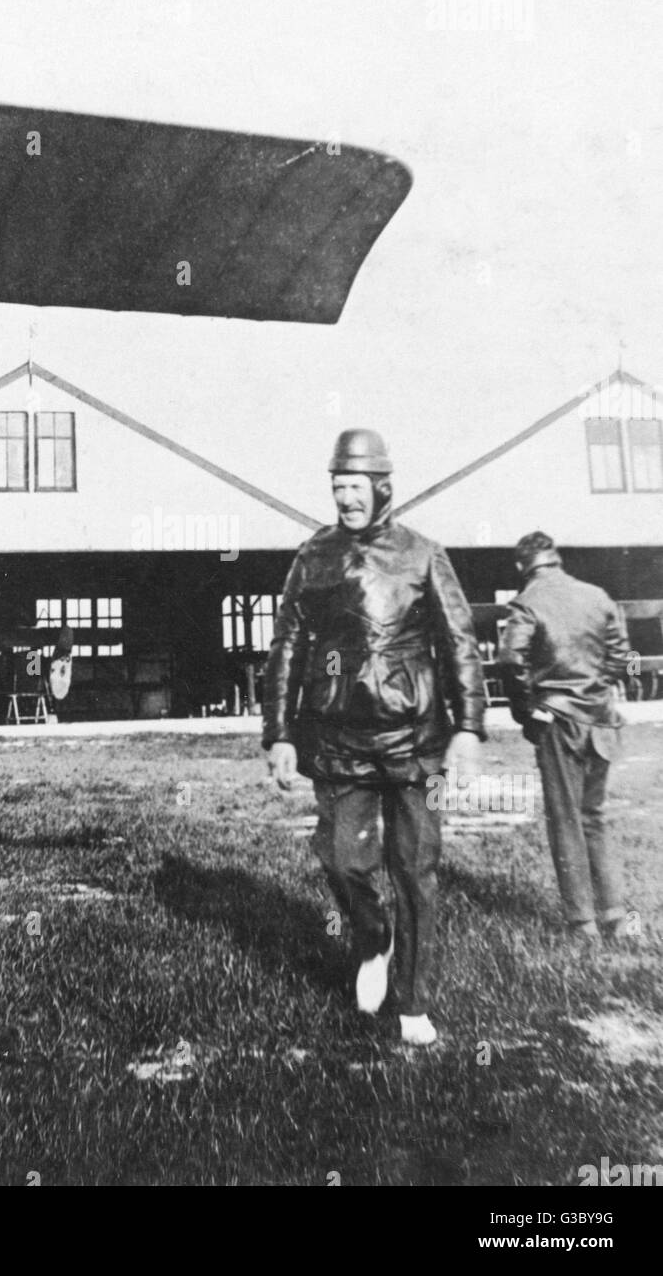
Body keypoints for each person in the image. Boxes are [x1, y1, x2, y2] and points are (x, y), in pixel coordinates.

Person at [262, 429, 485, 1046]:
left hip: (418, 742)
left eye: (356, 487)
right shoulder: (313, 557)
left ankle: (412, 1001)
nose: (346, 499)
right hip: (337, 741)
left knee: (415, 870)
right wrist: (278, 733)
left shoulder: (424, 554)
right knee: (340, 860)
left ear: (382, 487)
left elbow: (459, 643)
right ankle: (372, 941)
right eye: (338, 488)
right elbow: (286, 649)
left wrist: (467, 727)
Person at [497, 531, 631, 941]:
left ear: (523, 566)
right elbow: (623, 656)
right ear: (555, 559)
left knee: (566, 820)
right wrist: (596, 690)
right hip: (602, 721)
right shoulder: (598, 596)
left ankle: (582, 924)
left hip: (558, 721)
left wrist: (527, 711)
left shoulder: (526, 603)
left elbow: (508, 659)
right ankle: (617, 917)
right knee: (594, 818)